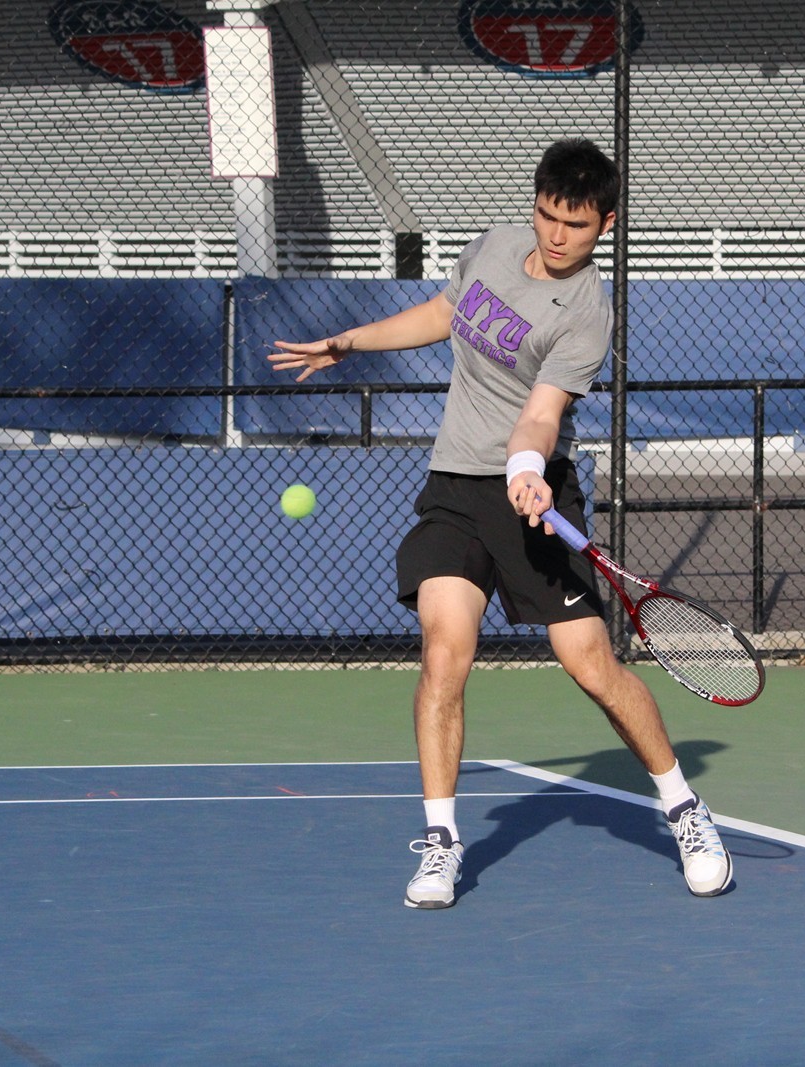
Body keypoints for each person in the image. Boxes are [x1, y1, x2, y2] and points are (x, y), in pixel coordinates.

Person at [268, 138, 731, 909]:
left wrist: (525, 470)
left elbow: (543, 413)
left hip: (535, 494)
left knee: (594, 670)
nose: (556, 236)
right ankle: (443, 842)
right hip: (455, 486)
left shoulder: (586, 314)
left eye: (575, 225)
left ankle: (684, 809)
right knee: (445, 648)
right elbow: (444, 314)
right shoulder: (494, 246)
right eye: (548, 216)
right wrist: (349, 342)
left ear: (605, 225)